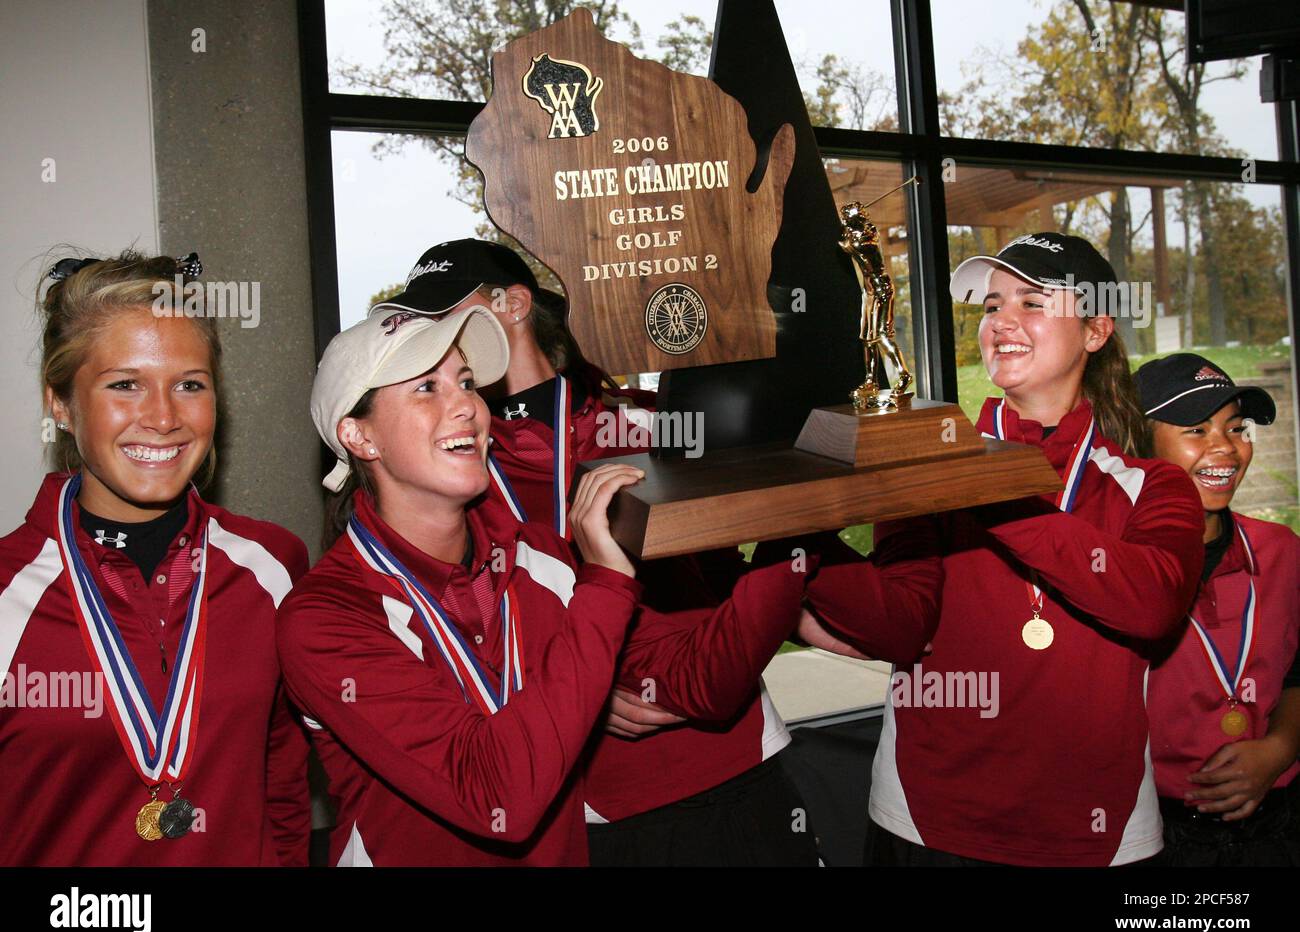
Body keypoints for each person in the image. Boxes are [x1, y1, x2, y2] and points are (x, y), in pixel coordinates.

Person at [366, 239, 943, 865]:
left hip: (734, 759)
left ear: (514, 306)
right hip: (588, 803)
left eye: (450, 312)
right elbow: (450, 632)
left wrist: (798, 592)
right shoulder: (452, 474)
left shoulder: (651, 428)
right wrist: (579, 681)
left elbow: (750, 576)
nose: (438, 336)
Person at [276, 302, 819, 866]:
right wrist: (606, 584)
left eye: (466, 382)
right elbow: (494, 795)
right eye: (426, 389)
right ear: (359, 437)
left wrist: (796, 517)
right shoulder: (324, 618)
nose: (466, 404)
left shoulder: (536, 557)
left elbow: (702, 683)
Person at [820, 232, 1205, 866]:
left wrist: (981, 485)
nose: (1002, 322)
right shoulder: (936, 463)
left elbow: (1153, 604)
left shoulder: (1151, 484)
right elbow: (897, 624)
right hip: (927, 816)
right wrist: (803, 538)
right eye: (992, 305)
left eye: (1032, 302)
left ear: (1096, 329)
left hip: (1099, 831)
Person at [0, 251, 310, 865]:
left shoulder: (272, 567)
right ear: (60, 404)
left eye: (189, 385)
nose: (164, 417)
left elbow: (283, 785)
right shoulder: (8, 588)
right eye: (125, 384)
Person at [1135, 353, 1300, 865]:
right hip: (1152, 833)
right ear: (1139, 444)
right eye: (1196, 428)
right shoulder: (1115, 565)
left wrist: (1279, 750)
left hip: (1278, 823)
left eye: (1236, 427)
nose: (1225, 448)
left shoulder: (1282, 551)